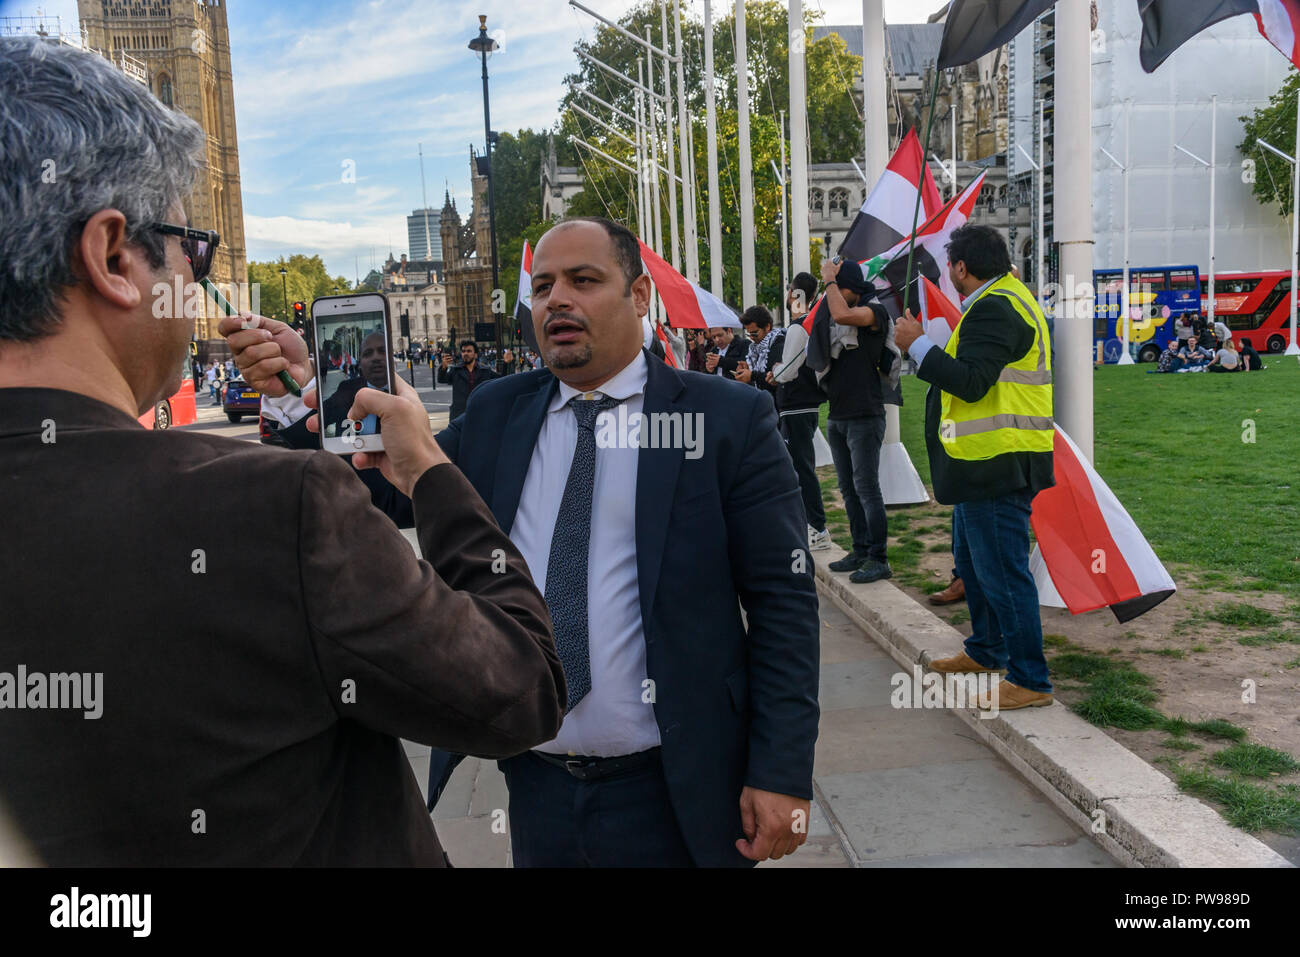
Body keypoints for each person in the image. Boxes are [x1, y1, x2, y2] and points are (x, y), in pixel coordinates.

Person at [0, 35, 564, 866]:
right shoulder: (278, 509)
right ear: (115, 256)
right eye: (192, 249)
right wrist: (427, 468)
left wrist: (307, 394)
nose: (195, 281)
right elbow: (522, 685)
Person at [893, 224, 1055, 712]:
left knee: (1001, 572)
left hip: (998, 462)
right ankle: (986, 650)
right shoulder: (1003, 299)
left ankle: (1030, 679)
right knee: (974, 565)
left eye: (950, 267)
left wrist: (918, 345)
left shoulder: (994, 308)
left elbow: (971, 382)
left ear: (961, 267)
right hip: (982, 462)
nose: (949, 274)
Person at [818, 257, 891, 585]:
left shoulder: (874, 312)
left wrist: (829, 278)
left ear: (852, 287)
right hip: (838, 415)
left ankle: (879, 558)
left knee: (866, 489)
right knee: (848, 489)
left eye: (840, 287)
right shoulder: (839, 309)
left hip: (865, 415)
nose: (834, 293)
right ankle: (860, 550)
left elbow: (841, 314)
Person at [769, 273, 831, 552]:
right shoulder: (808, 324)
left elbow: (789, 370)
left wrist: (775, 372)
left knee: (802, 470)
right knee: (799, 468)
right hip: (800, 405)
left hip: (797, 405)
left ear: (796, 294)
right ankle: (810, 524)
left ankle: (817, 527)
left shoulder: (798, 327)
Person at [439, 340, 498, 419]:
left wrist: (507, 363)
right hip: (459, 414)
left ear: (475, 355)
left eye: (469, 351)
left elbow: (502, 379)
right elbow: (441, 379)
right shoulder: (455, 370)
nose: (465, 353)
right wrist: (443, 367)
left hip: (480, 413)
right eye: (463, 351)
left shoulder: (485, 371)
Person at [737, 305, 783, 399]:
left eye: (754, 333)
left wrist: (752, 375)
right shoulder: (755, 349)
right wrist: (748, 370)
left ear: (767, 327)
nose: (751, 337)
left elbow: (776, 379)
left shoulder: (778, 345)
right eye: (749, 334)